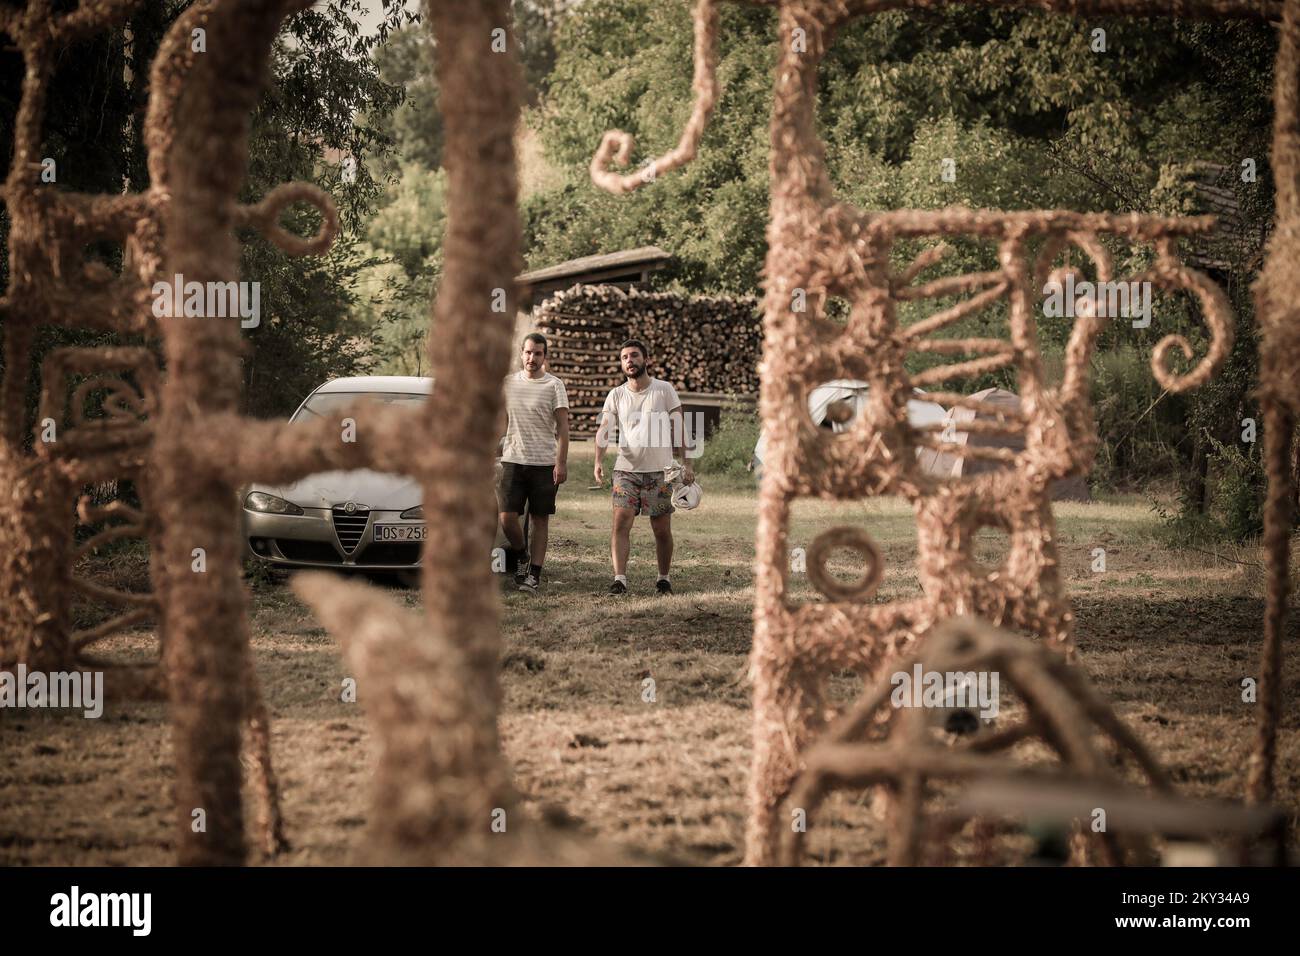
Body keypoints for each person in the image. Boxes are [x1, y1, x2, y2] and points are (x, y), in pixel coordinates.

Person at [594, 339, 693, 595]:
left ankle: (663, 578)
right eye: (624, 357)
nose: (629, 360)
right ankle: (620, 579)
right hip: (626, 470)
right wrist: (598, 461)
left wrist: (687, 463)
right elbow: (604, 430)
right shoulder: (616, 395)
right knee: (621, 522)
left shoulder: (664, 390)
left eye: (634, 355)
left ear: (646, 360)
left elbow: (680, 427)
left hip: (660, 471)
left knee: (661, 529)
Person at [497, 332, 569, 593]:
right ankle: (521, 556)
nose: (532, 357)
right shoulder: (508, 383)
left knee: (540, 519)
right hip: (513, 460)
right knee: (506, 517)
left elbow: (563, 428)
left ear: (544, 356)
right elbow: (499, 421)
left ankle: (534, 574)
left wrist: (560, 463)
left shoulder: (554, 385)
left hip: (544, 463)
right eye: (528, 352)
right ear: (521, 354)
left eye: (537, 353)